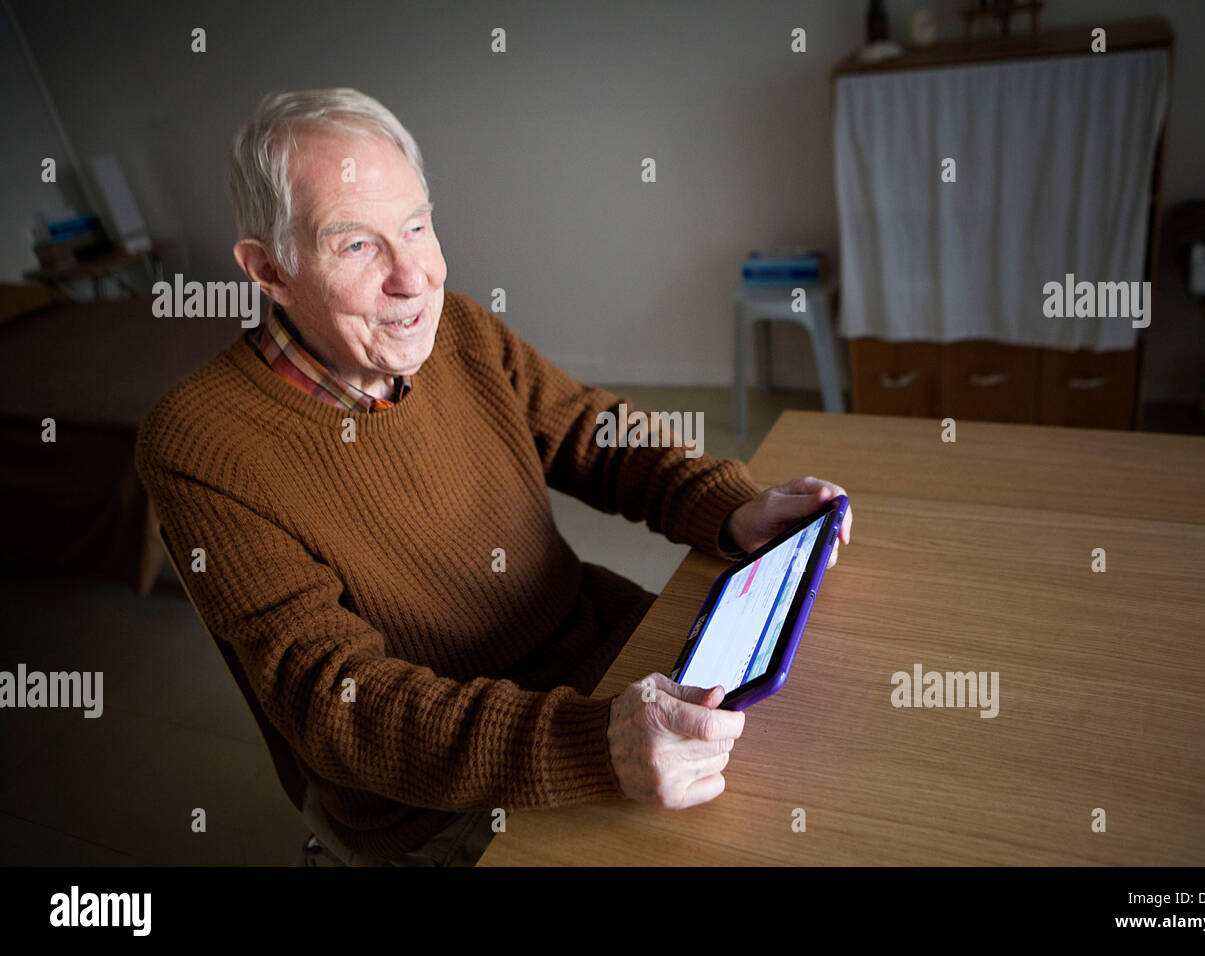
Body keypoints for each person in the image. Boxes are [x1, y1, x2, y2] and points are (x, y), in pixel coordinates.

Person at [135, 88, 852, 866]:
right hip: (431, 794)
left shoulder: (460, 328)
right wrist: (591, 742)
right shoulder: (197, 444)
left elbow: (592, 431)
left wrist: (732, 503)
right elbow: (334, 699)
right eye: (356, 246)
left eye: (416, 225)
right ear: (269, 269)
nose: (416, 278)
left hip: (599, 661)